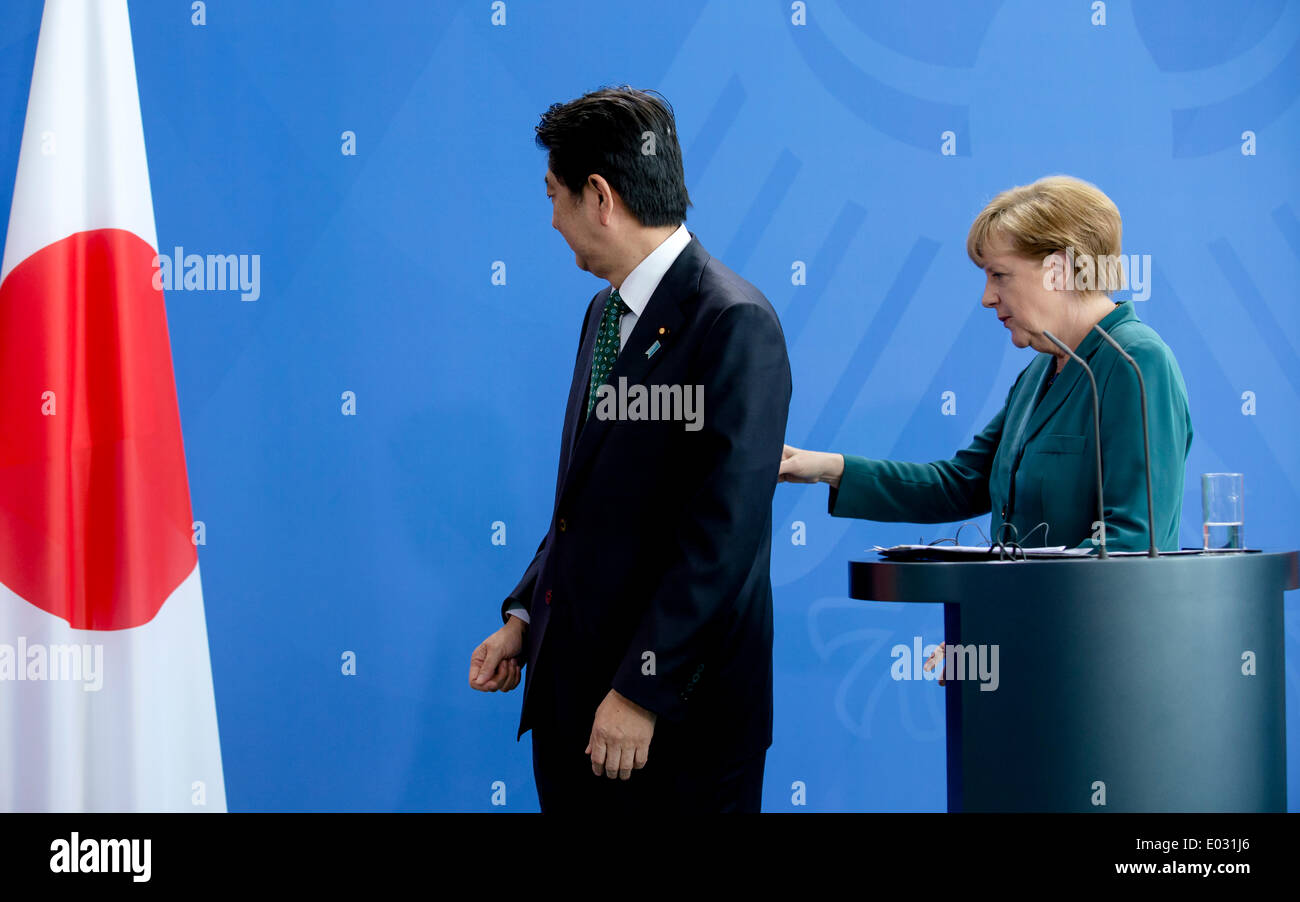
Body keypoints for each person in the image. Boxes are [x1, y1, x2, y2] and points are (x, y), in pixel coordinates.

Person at [468, 86, 792, 813]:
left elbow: (722, 539)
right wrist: (525, 618)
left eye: (554, 196)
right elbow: (586, 502)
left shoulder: (734, 324)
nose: (551, 220)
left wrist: (643, 689)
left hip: (674, 725)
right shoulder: (605, 312)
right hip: (576, 706)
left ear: (600, 196)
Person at [780, 176, 1192, 555]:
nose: (987, 297)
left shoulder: (1136, 361)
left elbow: (1131, 543)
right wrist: (825, 469)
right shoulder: (1040, 371)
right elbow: (963, 482)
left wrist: (1008, 619)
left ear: (1059, 269)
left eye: (999, 275)